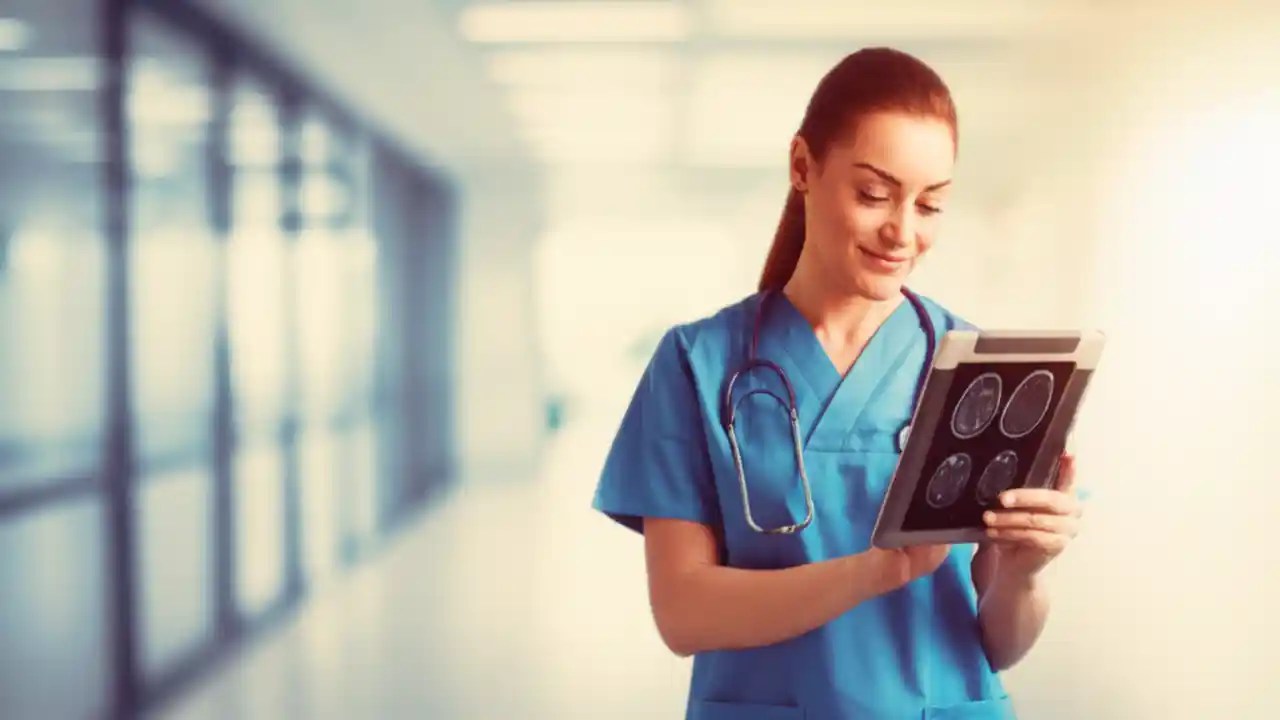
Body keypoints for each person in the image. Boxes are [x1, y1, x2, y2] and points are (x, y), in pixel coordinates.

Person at [591, 47, 1084, 720]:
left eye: (931, 205)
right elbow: (683, 614)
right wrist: (871, 573)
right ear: (802, 167)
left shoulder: (984, 373)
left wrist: (1024, 574)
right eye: (874, 194)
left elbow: (1001, 643)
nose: (902, 232)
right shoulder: (698, 363)